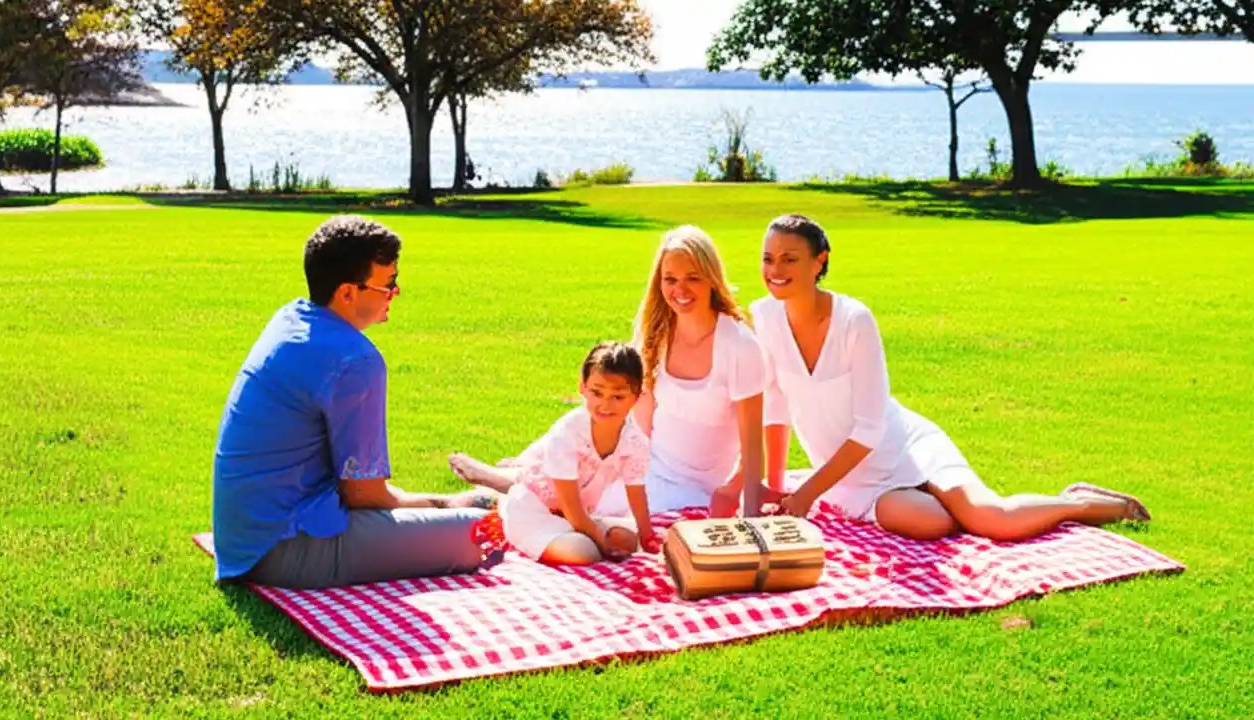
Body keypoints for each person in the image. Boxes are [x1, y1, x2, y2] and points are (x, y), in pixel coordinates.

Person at [752, 213, 1151, 541]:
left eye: (789, 258)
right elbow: (775, 407)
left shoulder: (854, 320)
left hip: (903, 446)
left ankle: (1078, 502)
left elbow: (870, 429)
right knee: (931, 524)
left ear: (819, 261)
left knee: (992, 521)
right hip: (852, 481)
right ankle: (953, 502)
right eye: (768, 259)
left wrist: (807, 493)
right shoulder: (765, 317)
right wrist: (775, 486)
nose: (776, 270)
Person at [212, 215, 489, 589]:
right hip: (280, 548)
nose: (396, 293)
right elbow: (364, 494)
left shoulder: (292, 317)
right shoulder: (354, 359)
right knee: (482, 531)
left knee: (465, 515)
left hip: (245, 536)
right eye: (388, 284)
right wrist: (442, 504)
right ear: (347, 292)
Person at [597, 225, 772, 518]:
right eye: (670, 279)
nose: (680, 290)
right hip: (647, 471)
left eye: (693, 278)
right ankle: (497, 483)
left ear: (712, 279)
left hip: (695, 495)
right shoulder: (657, 337)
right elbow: (641, 425)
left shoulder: (740, 345)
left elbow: (754, 450)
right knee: (566, 487)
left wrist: (746, 509)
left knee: (604, 532)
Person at [448, 342, 658, 564]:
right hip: (536, 512)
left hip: (576, 516)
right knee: (584, 552)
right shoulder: (567, 433)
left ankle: (497, 493)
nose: (605, 405)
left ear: (636, 397)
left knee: (627, 540)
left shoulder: (635, 442)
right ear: (582, 387)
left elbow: (636, 493)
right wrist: (601, 541)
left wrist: (647, 538)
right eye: (597, 393)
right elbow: (572, 508)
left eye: (618, 397)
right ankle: (496, 503)